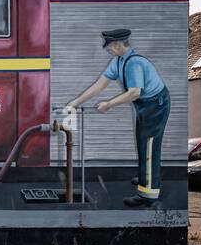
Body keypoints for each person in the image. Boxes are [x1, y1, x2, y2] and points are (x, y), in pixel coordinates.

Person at [65, 28, 170, 207]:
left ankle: (148, 194)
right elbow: (100, 85)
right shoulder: (118, 61)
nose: (109, 51)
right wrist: (75, 102)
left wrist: (109, 104)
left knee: (150, 145)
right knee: (143, 142)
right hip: (145, 105)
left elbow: (134, 93)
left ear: (118, 44)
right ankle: (146, 176)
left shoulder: (134, 63)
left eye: (110, 48)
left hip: (155, 104)